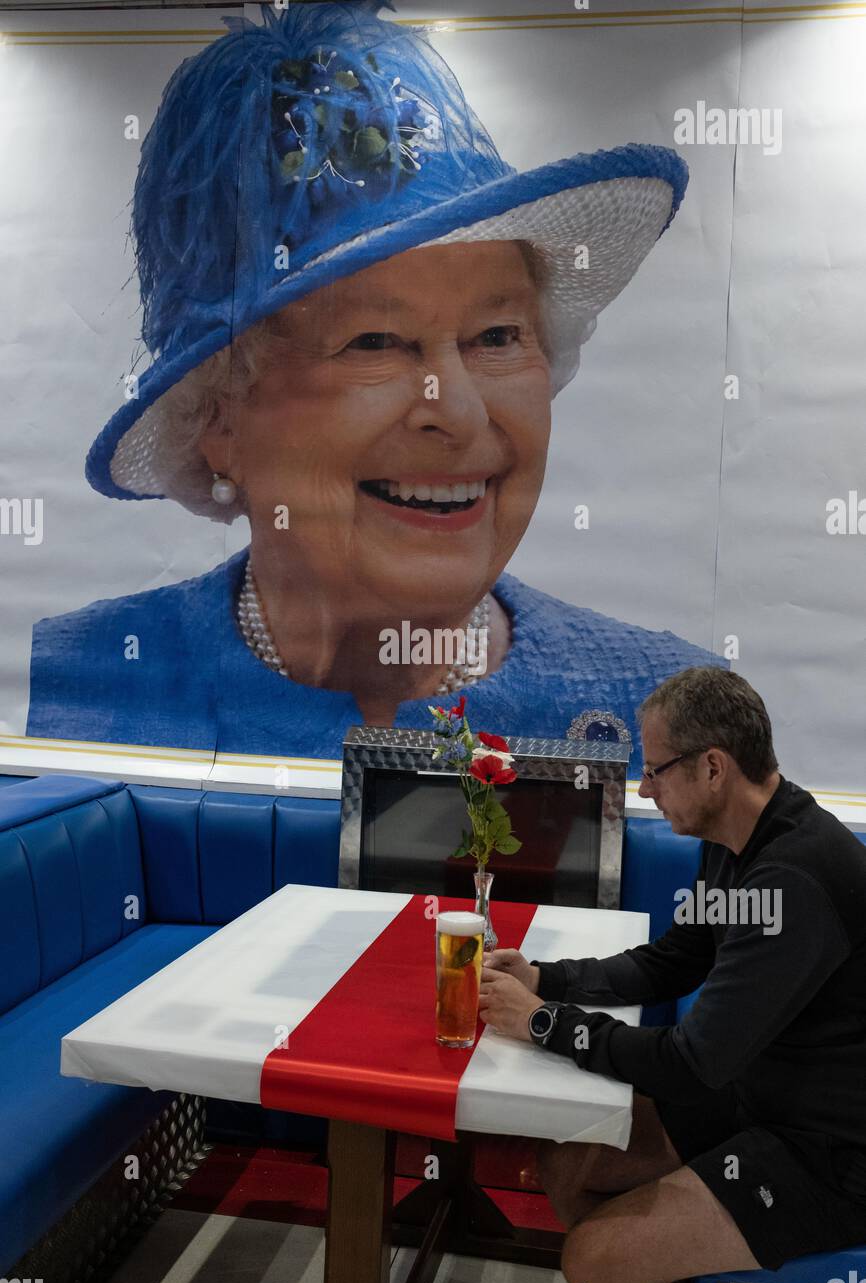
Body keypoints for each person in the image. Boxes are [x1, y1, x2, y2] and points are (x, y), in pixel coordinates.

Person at [25, 1, 723, 772]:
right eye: (378, 343)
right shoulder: (89, 687)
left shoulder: (663, 714)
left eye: (496, 337)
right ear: (217, 416)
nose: (456, 413)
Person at [479, 666, 866, 1283]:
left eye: (656, 768)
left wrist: (541, 1022)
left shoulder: (794, 880)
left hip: (831, 1154)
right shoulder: (734, 840)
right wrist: (545, 978)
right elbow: (671, 961)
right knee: (567, 1159)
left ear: (713, 767)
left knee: (594, 1260)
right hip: (758, 1099)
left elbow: (691, 1064)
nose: (644, 786)